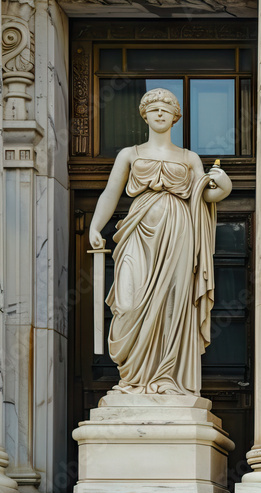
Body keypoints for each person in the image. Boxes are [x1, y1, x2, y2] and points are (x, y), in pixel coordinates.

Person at [88, 88, 233, 396]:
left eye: (166, 109)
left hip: (178, 235)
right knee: (127, 304)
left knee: (172, 305)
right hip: (137, 234)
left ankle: (167, 378)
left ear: (175, 117)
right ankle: (132, 378)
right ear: (144, 115)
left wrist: (222, 186)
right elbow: (110, 193)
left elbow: (204, 195)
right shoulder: (130, 154)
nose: (159, 113)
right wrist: (95, 226)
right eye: (153, 109)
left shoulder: (189, 158)